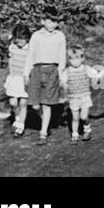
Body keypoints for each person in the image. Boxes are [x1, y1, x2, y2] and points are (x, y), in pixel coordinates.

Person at [24, 10, 67, 144]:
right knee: (35, 105)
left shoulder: (59, 36)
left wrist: (60, 72)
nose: (52, 25)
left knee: (47, 103)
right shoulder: (36, 35)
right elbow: (30, 54)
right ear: (43, 21)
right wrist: (26, 72)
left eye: (55, 22)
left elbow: (62, 55)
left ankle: (43, 133)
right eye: (49, 21)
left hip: (52, 69)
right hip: (37, 69)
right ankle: (45, 122)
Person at [4, 24, 31, 137]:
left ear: (27, 38)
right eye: (17, 39)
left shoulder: (30, 49)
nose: (20, 42)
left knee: (23, 103)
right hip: (14, 78)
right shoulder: (12, 46)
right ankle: (17, 117)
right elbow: (8, 40)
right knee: (13, 102)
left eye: (22, 40)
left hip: (24, 79)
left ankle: (20, 126)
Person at [63, 48, 94, 143]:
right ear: (68, 60)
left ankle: (87, 129)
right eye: (71, 59)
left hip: (84, 96)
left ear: (82, 58)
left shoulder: (86, 68)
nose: (74, 61)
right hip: (73, 98)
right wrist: (64, 92)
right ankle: (75, 134)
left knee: (83, 117)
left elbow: (95, 75)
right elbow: (63, 82)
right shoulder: (67, 71)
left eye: (77, 58)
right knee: (75, 118)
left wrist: (102, 72)